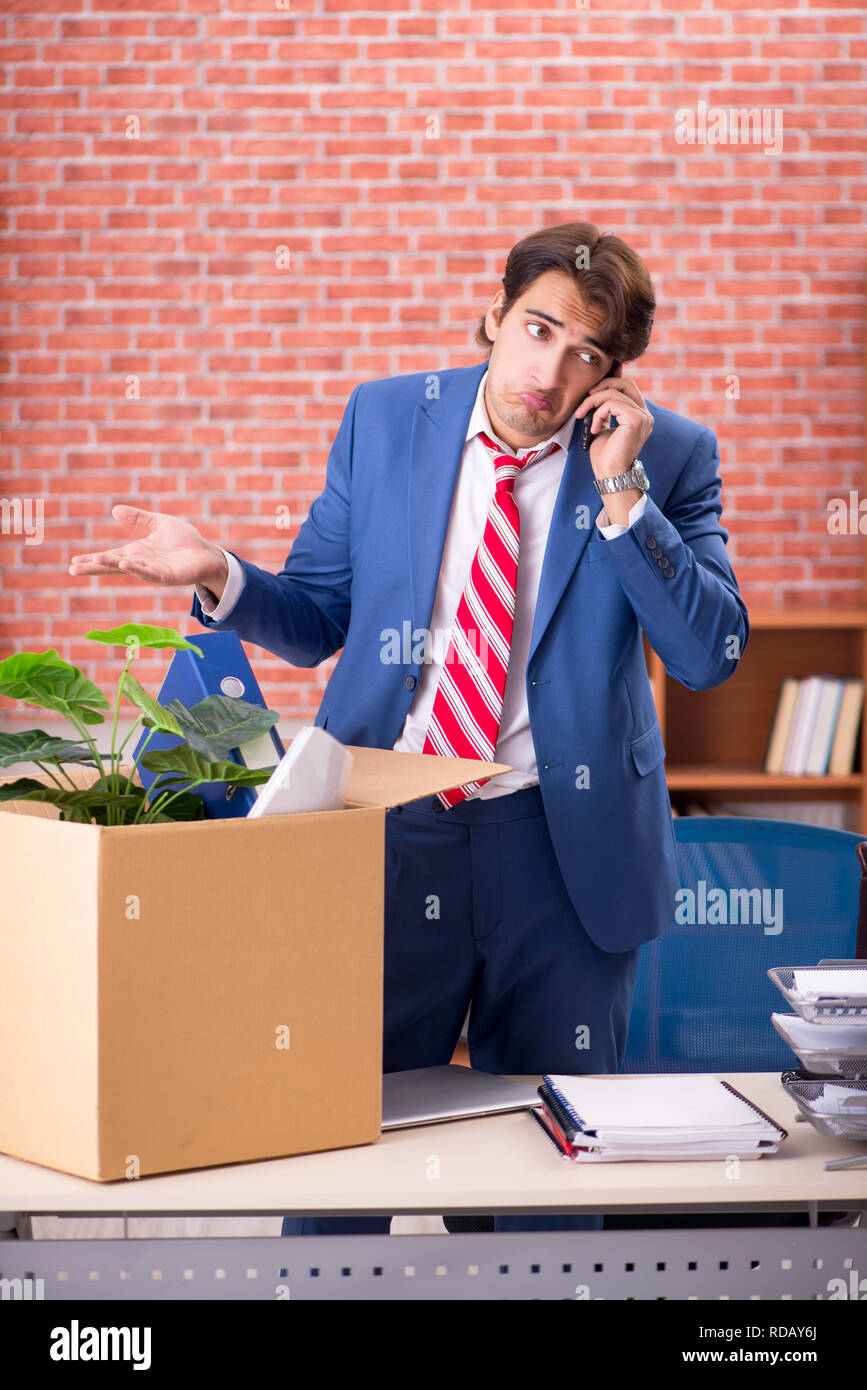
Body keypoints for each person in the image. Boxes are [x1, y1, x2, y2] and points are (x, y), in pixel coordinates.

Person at [69, 221, 749, 1236]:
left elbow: (705, 655)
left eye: (586, 353)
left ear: (613, 377)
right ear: (495, 312)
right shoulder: (387, 419)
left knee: (548, 1191)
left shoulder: (669, 458)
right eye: (539, 329)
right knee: (340, 1159)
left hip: (562, 856)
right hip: (387, 837)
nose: (549, 372)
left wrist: (621, 490)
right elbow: (318, 616)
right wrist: (221, 572)